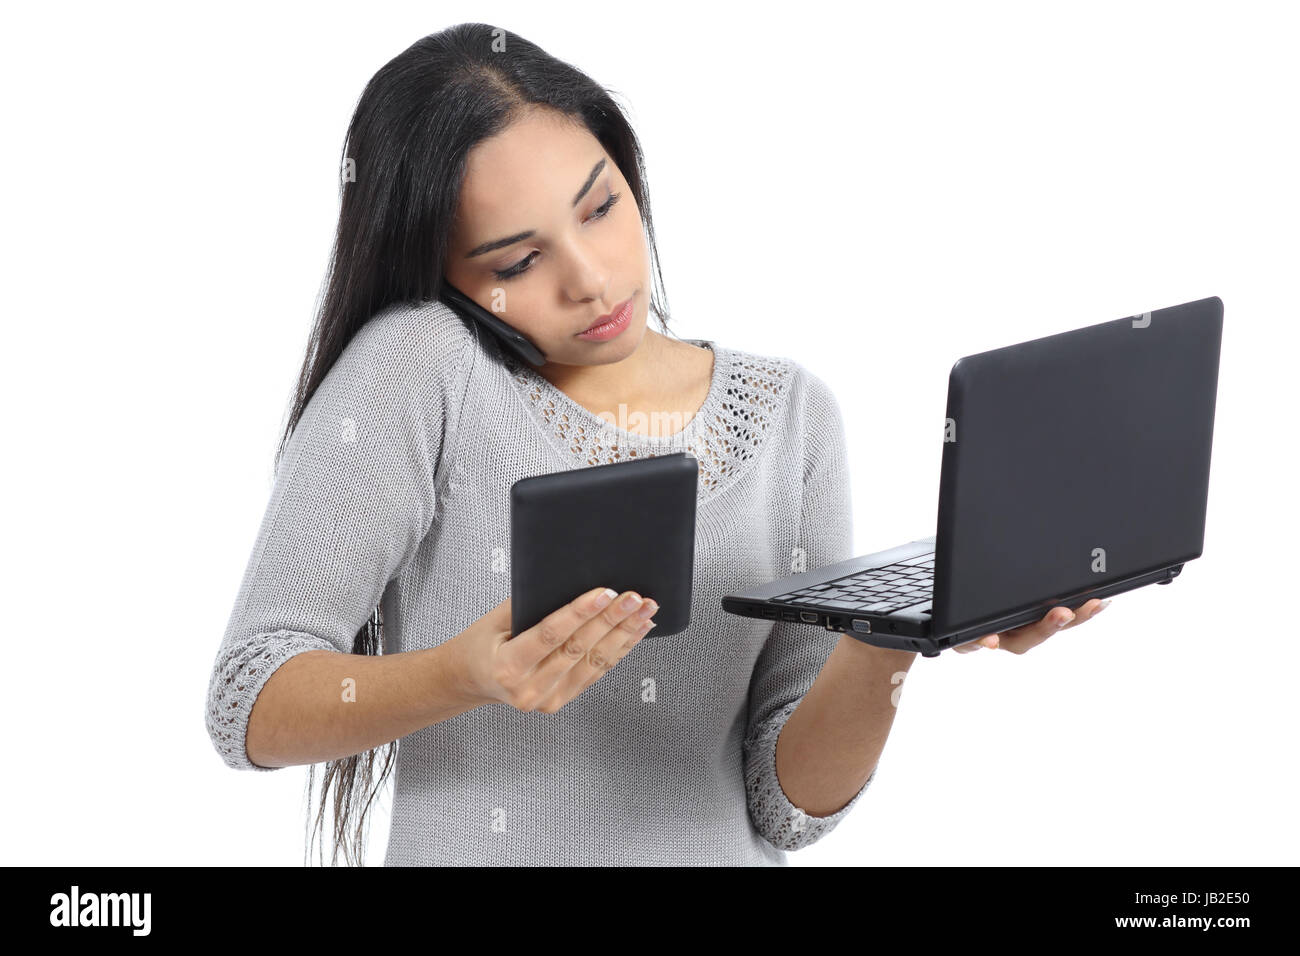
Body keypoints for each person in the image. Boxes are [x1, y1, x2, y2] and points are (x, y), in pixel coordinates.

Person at [204, 23, 1108, 867]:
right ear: (447, 276)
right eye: (517, 263)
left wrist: (888, 639)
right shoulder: (423, 369)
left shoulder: (792, 414)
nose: (592, 280)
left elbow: (786, 810)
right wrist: (464, 674)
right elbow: (249, 699)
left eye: (600, 207)